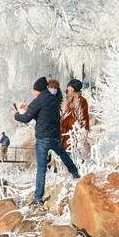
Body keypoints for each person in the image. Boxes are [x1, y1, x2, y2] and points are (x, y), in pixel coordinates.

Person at [13, 77, 80, 205]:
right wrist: (29, 107)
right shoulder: (54, 99)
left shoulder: (38, 100)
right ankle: (75, 173)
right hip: (55, 136)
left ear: (37, 90)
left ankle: (38, 198)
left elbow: (26, 118)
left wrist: (15, 114)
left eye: (33, 90)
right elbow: (43, 113)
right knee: (63, 154)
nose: (33, 93)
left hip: (43, 139)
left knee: (42, 168)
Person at [61, 78, 92, 160]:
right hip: (64, 133)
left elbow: (84, 118)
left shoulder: (82, 101)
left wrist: (82, 133)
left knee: (73, 155)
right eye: (68, 90)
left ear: (75, 91)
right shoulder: (67, 101)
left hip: (75, 133)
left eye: (70, 90)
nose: (68, 92)